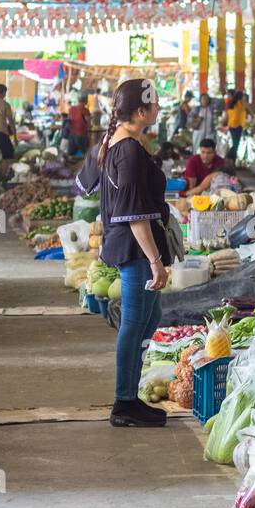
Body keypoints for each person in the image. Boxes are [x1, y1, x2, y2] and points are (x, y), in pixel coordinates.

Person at [98, 78, 171, 428]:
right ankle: (124, 402)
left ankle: (130, 396)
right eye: (154, 105)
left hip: (135, 251)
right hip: (136, 252)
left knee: (149, 318)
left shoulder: (122, 143)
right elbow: (134, 215)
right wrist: (155, 261)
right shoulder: (127, 151)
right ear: (140, 112)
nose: (158, 109)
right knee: (132, 324)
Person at [225, 90, 247, 163]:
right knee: (236, 144)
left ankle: (231, 159)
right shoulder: (240, 103)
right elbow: (247, 109)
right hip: (238, 126)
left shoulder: (231, 103)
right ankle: (229, 157)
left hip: (232, 125)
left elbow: (227, 115)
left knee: (235, 143)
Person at [67, 91, 90, 157]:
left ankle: (71, 167)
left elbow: (70, 119)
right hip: (81, 135)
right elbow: (89, 123)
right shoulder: (85, 110)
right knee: (84, 155)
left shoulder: (71, 109)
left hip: (71, 135)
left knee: (71, 155)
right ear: (86, 100)